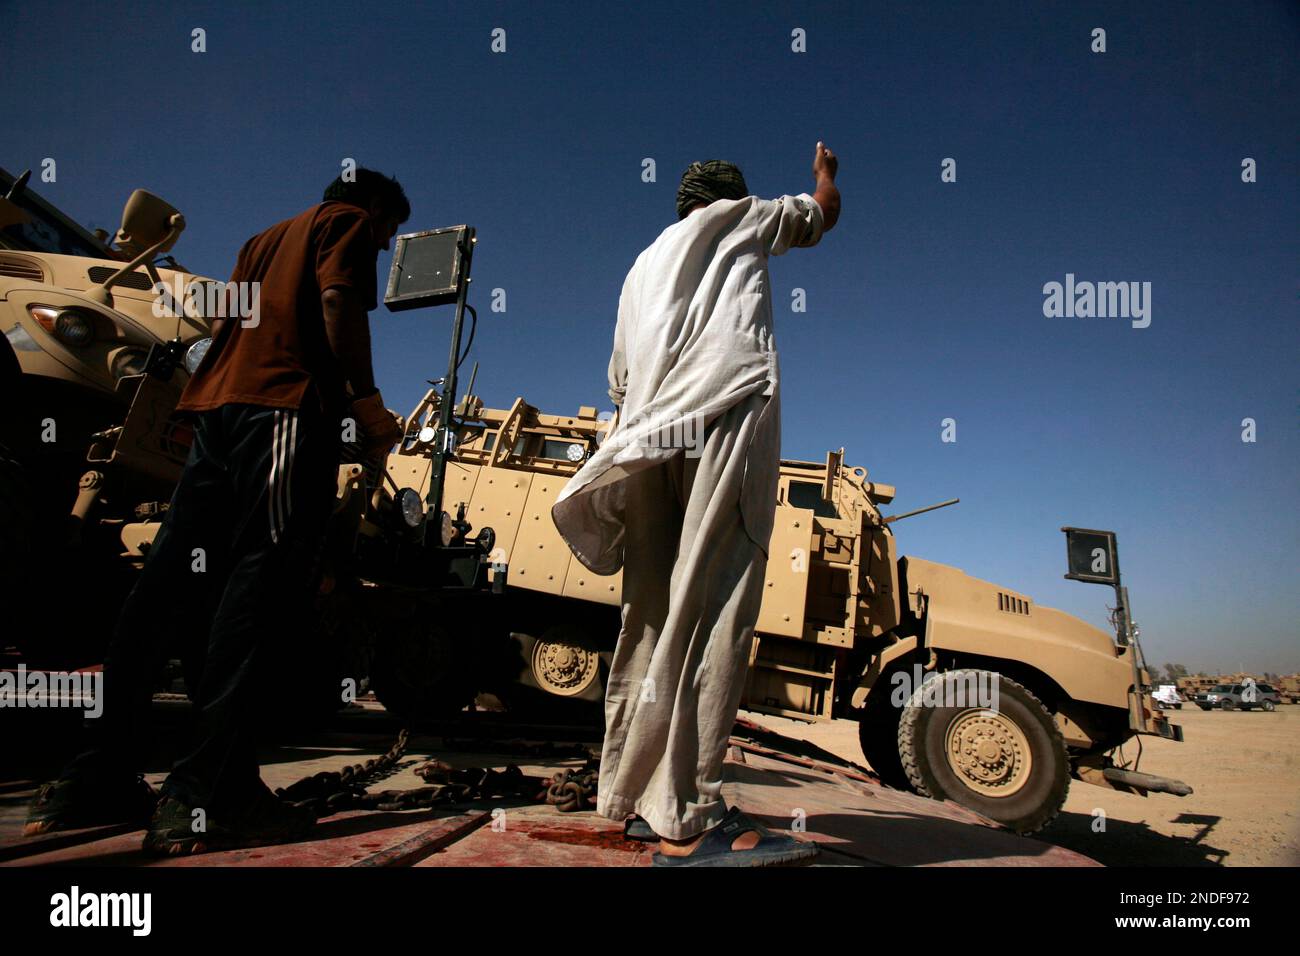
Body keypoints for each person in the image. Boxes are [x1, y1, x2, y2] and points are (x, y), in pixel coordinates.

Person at [25, 168, 408, 854]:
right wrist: (365, 404)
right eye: (388, 236)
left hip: (215, 416)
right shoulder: (343, 223)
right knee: (261, 592)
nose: (381, 247)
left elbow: (241, 323)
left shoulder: (261, 240)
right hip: (285, 411)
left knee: (162, 592)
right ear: (374, 209)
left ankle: (92, 777)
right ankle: (210, 793)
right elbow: (338, 303)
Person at [552, 143, 841, 865]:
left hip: (649, 433)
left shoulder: (640, 267)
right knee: (712, 603)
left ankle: (638, 797)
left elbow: (618, 381)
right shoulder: (744, 218)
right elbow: (822, 217)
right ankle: (689, 817)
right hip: (722, 410)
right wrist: (825, 176)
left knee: (650, 610)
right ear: (727, 197)